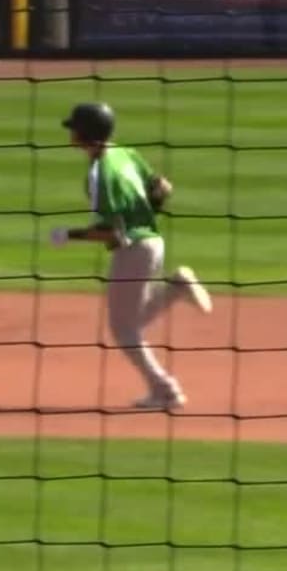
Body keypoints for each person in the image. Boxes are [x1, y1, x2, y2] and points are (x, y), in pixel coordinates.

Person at [49, 102, 213, 412]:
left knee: (124, 330)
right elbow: (164, 188)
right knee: (132, 322)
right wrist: (146, 212)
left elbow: (112, 232)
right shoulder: (125, 153)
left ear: (85, 133)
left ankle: (165, 390)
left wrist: (69, 235)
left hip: (133, 251)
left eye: (74, 128)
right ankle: (176, 288)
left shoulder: (99, 174)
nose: (71, 132)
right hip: (153, 242)